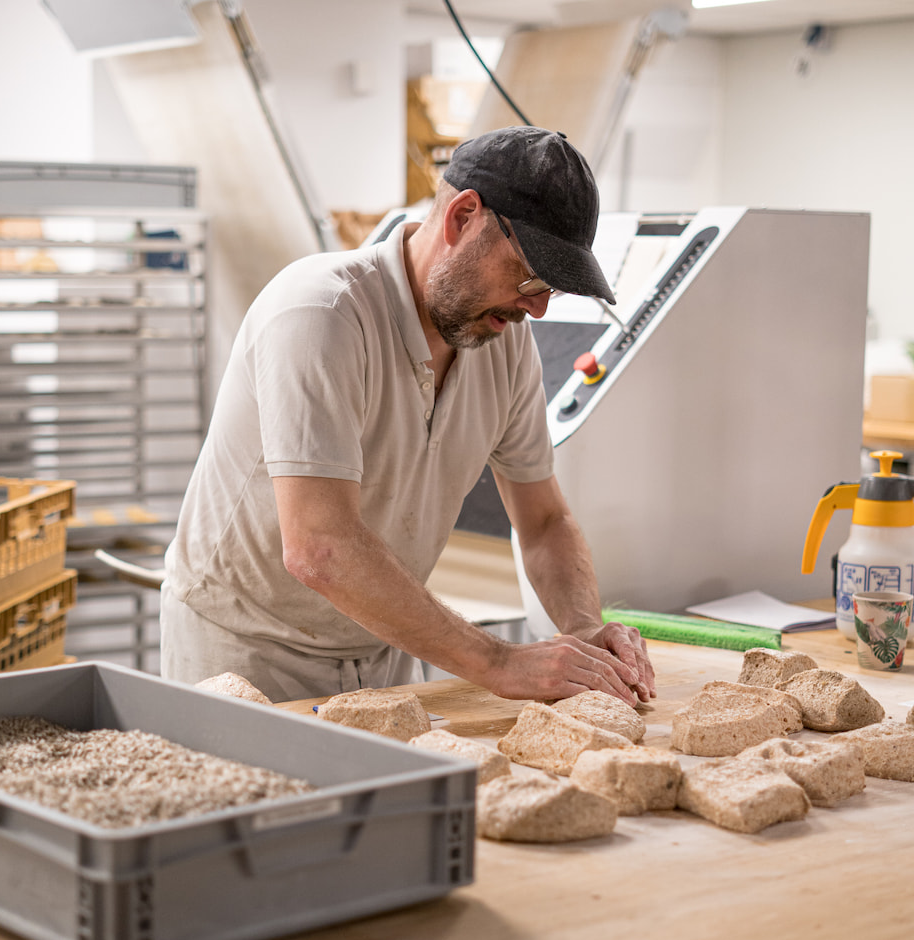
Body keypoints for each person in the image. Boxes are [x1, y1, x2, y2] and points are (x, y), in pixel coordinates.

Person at [161, 125, 656, 706]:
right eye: (530, 276)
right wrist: (499, 663)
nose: (538, 308)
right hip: (249, 656)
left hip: (384, 646)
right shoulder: (321, 314)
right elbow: (321, 546)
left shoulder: (503, 343)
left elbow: (543, 521)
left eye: (551, 289)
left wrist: (581, 628)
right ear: (462, 217)